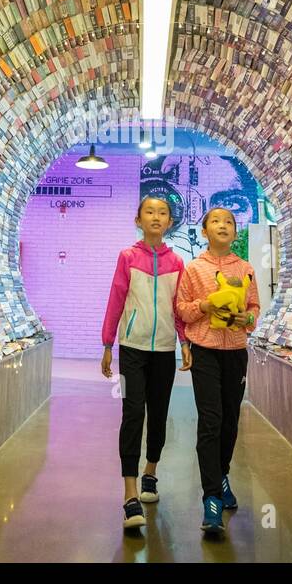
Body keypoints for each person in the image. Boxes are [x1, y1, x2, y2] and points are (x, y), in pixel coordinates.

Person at [101, 195, 191, 530]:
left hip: (165, 350)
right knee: (132, 412)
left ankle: (150, 472)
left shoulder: (178, 262)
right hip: (132, 348)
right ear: (138, 219)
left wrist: (184, 342)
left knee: (159, 412)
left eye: (162, 213)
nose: (156, 217)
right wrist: (107, 343)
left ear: (170, 222)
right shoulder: (127, 257)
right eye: (149, 212)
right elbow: (116, 298)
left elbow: (180, 308)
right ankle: (129, 494)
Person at [176, 207, 260, 536]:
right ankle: (211, 497)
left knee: (229, 421)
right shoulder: (194, 269)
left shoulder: (246, 268)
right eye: (216, 221)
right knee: (210, 421)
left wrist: (247, 320)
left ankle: (222, 474)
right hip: (206, 352)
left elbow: (253, 308)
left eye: (228, 222)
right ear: (204, 230)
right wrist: (205, 306)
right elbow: (182, 309)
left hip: (236, 351)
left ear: (234, 233)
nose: (223, 225)